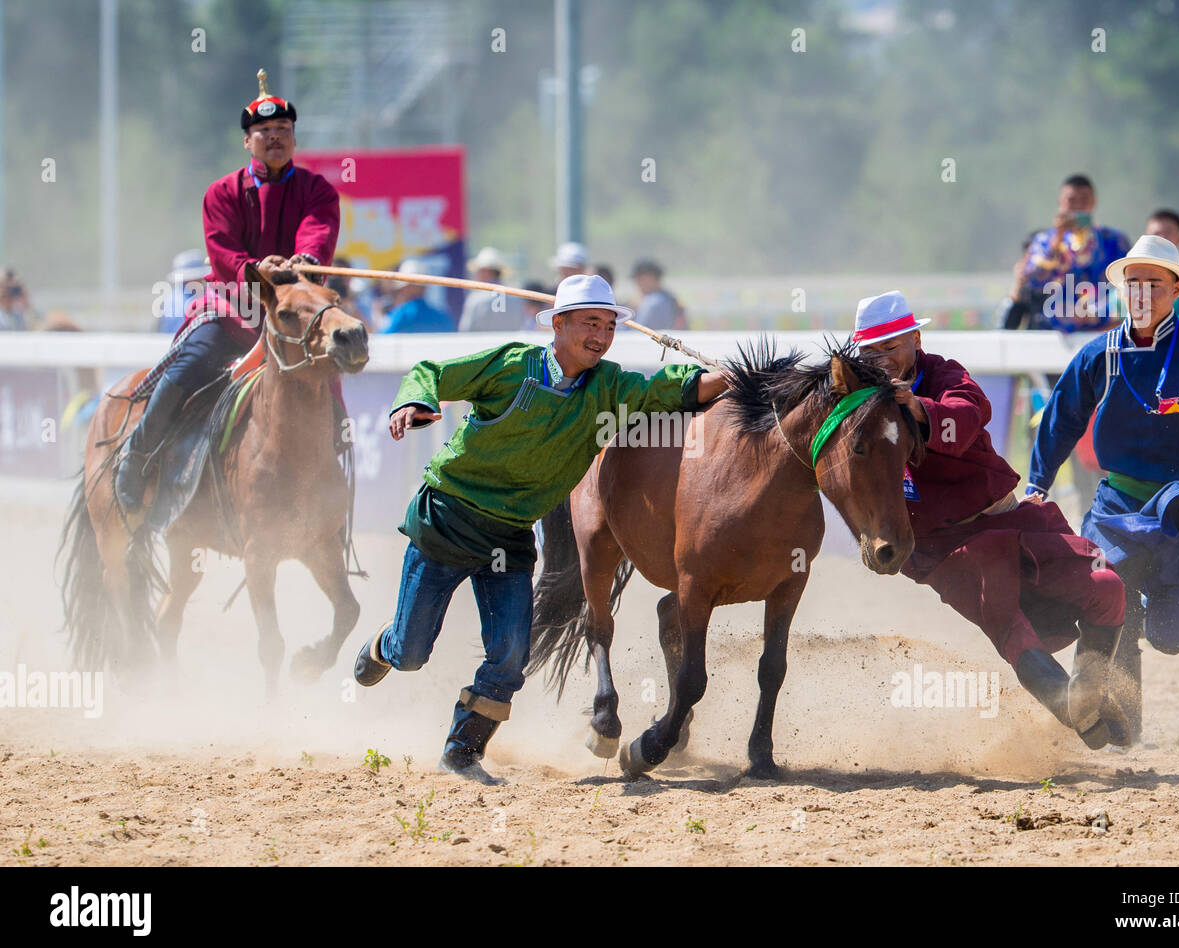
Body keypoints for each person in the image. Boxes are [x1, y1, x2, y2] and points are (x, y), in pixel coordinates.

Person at [353, 274, 730, 783]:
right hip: (447, 520)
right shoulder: (512, 365)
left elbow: (676, 387)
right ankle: (388, 644)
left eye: (609, 325)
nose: (600, 335)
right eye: (589, 323)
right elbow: (431, 370)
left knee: (510, 658)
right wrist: (411, 400)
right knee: (412, 653)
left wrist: (730, 374)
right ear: (558, 324)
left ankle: (462, 754)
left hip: (508, 538)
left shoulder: (612, 386)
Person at [853, 290, 1130, 750]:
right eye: (870, 352)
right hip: (941, 548)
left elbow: (969, 415)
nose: (881, 359)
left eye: (890, 346)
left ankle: (1090, 696)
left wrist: (917, 407)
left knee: (1107, 588)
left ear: (915, 338)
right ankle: (1069, 705)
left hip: (1008, 519)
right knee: (1006, 619)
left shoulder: (944, 373)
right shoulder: (856, 404)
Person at [1025, 236, 1179, 745]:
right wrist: (1038, 483)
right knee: (1113, 609)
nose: (1143, 293)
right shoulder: (1100, 355)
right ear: (1122, 292)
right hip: (1117, 505)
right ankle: (1122, 732)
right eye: (1134, 284)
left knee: (1169, 637)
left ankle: (1156, 614)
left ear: (1176, 289)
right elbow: (1060, 418)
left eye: (1155, 283)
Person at [114, 68, 340, 513]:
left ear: (294, 138)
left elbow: (317, 234)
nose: (274, 138)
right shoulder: (221, 193)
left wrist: (304, 263)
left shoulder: (318, 191)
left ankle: (334, 483)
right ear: (247, 141)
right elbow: (222, 253)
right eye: (264, 132)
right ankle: (138, 456)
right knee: (192, 362)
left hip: (291, 314)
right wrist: (258, 271)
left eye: (283, 130)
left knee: (330, 384)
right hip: (232, 310)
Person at [1009, 174, 1130, 333]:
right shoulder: (1044, 240)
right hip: (1052, 333)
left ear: (1094, 202)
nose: (1078, 206)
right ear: (1060, 203)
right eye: (1071, 200)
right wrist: (1058, 238)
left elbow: (1130, 282)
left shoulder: (1113, 240)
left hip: (1102, 332)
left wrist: (1100, 311)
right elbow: (1033, 279)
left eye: (1084, 200)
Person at [458, 246, 528, 332]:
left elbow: (466, 330)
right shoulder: (517, 298)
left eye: (478, 270)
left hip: (481, 345)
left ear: (486, 272)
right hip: (510, 345)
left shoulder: (476, 299)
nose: (476, 274)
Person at [379, 257, 457, 334]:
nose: (402, 291)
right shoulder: (441, 316)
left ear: (408, 287)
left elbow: (383, 337)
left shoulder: (402, 315)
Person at [631, 259, 686, 331]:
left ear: (651, 278)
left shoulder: (652, 303)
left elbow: (637, 330)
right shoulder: (669, 298)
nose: (637, 283)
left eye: (639, 278)